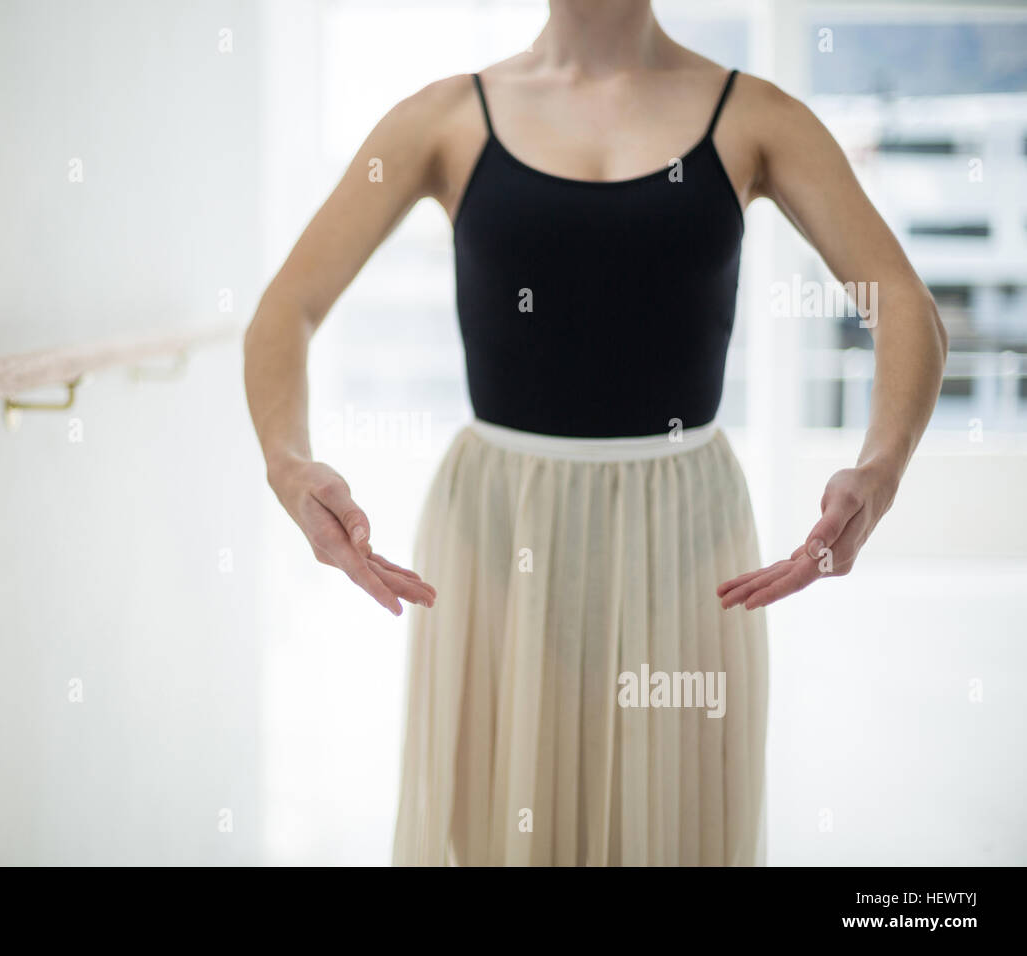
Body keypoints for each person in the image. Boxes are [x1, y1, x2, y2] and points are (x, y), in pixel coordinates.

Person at [243, 0, 948, 866]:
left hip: (687, 537)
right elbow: (287, 307)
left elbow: (901, 300)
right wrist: (289, 463)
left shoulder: (757, 117)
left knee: (678, 834)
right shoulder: (445, 117)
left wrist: (880, 467)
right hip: (500, 532)